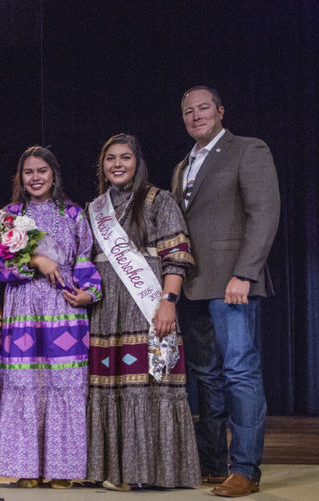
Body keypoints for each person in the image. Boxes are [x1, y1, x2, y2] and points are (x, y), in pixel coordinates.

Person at [172, 86, 280, 497]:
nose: (196, 116)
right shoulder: (183, 165)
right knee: (207, 380)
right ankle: (214, 464)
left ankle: (246, 470)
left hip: (234, 284)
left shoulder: (249, 150)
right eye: (188, 111)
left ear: (220, 111)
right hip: (195, 286)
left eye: (203, 108)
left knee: (240, 373)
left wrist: (246, 274)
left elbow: (264, 212)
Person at [86, 134, 200, 490]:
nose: (117, 164)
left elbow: (176, 257)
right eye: (110, 159)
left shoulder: (158, 200)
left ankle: (151, 472)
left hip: (147, 306)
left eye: (125, 158)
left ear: (137, 162)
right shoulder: (95, 208)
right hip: (105, 310)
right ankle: (112, 472)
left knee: (149, 385)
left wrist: (168, 301)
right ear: (102, 166)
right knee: (111, 386)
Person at [0, 146, 101, 489]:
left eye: (42, 171)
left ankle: (62, 468)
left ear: (54, 175)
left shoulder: (73, 214)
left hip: (64, 307)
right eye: (28, 172)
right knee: (25, 384)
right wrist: (36, 261)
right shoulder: (6, 216)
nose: (35, 178)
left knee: (63, 384)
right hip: (23, 308)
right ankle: (27, 467)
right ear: (20, 178)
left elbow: (84, 259)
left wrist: (89, 294)